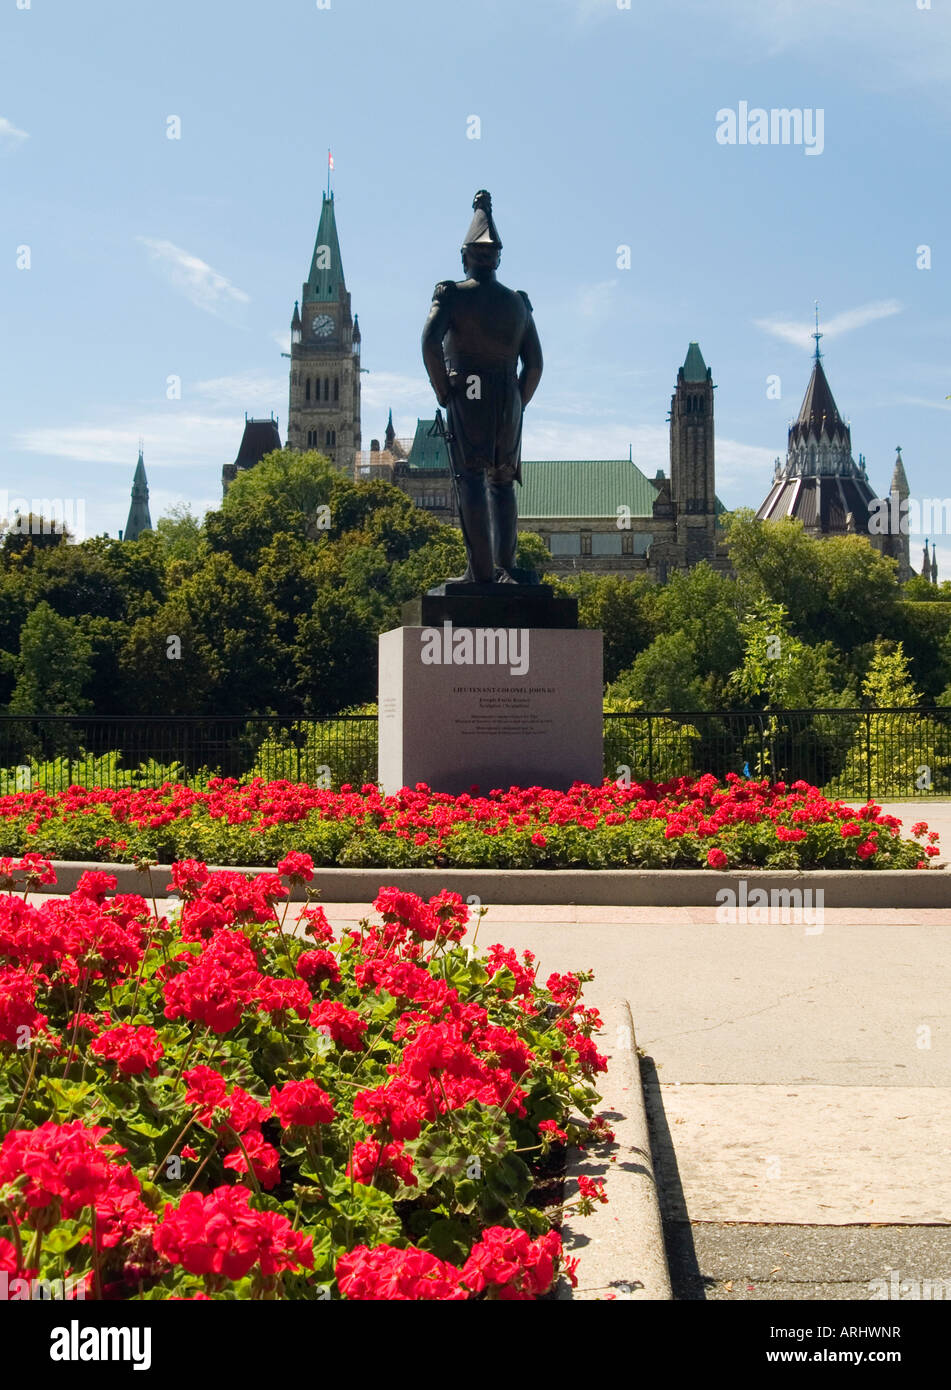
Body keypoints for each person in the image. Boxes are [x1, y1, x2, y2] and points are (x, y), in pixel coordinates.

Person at [421, 190, 543, 584]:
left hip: (467, 393)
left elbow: (428, 343)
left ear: (465, 256)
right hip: (508, 397)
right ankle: (504, 569)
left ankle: (481, 575)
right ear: (498, 258)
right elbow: (536, 363)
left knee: (470, 479)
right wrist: (517, 402)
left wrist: (444, 391)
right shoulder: (518, 303)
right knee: (503, 481)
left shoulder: (453, 295)